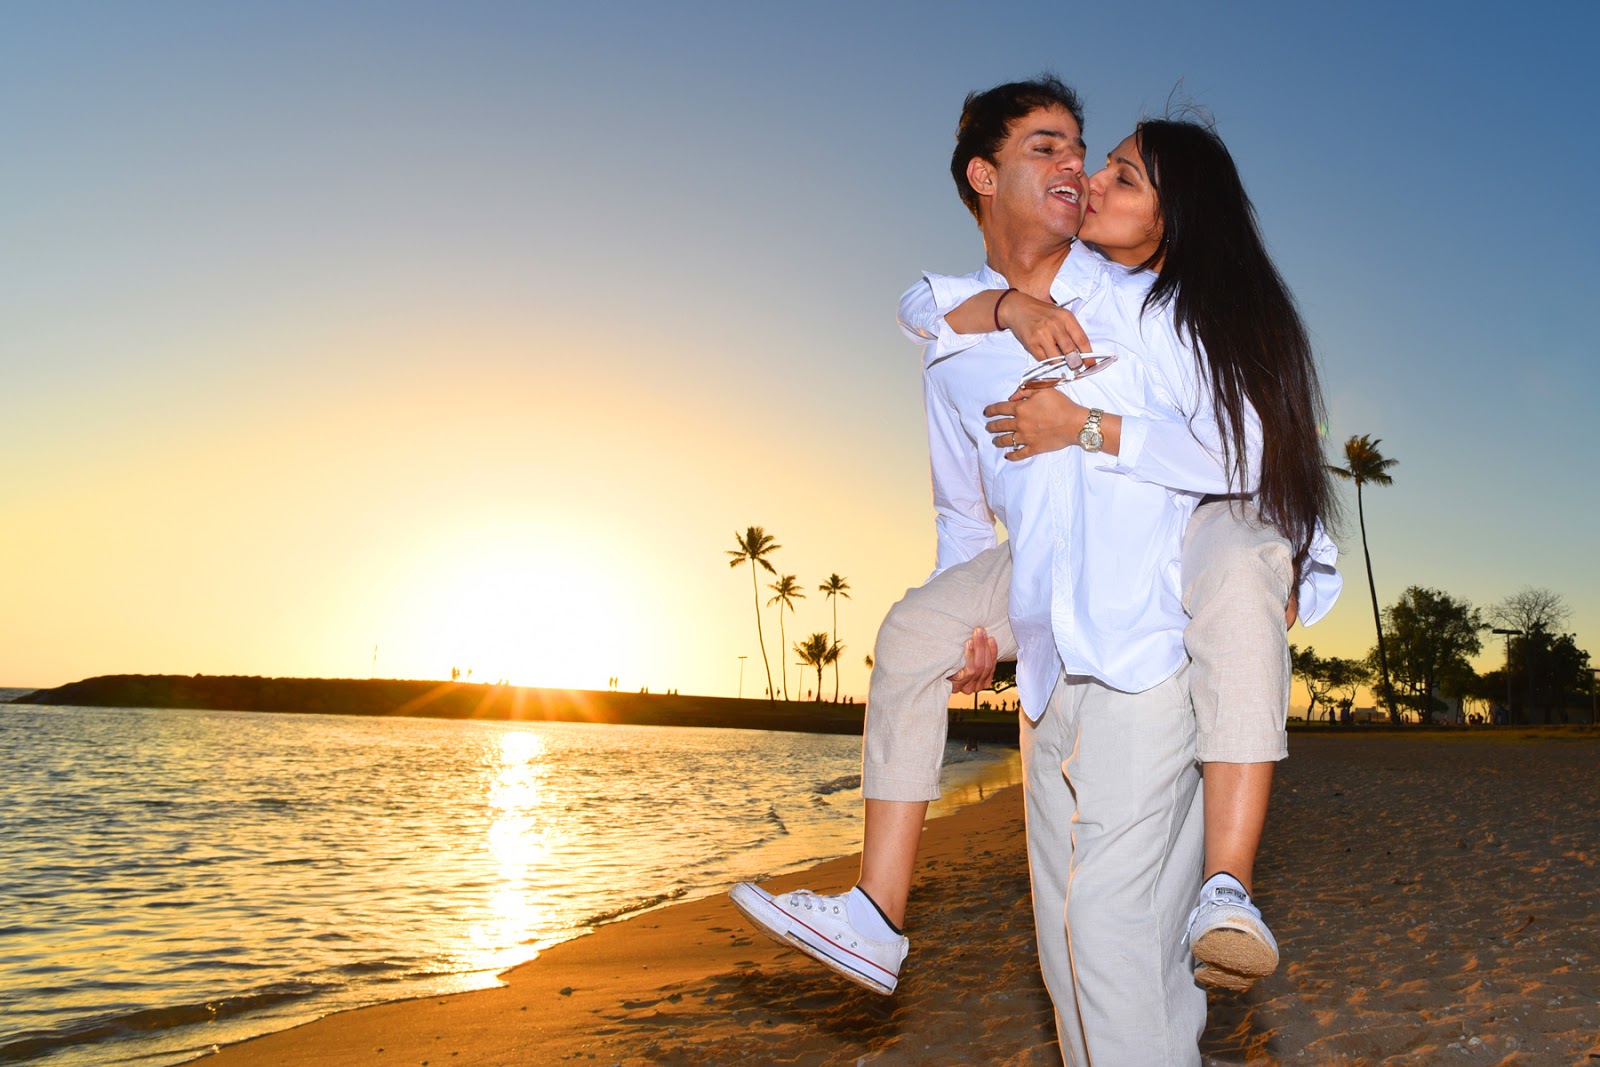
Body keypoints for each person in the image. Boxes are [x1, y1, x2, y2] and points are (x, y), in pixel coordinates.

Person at [731, 78, 1337, 1063]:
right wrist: (980, 633)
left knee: (1112, 947)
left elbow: (1245, 438)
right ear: (984, 175)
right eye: (1049, 148)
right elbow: (961, 509)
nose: (1078, 169)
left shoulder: (1134, 296)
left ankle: (1226, 884)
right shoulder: (954, 347)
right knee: (1071, 962)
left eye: (1087, 152)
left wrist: (1283, 558)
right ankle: (875, 912)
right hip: (1049, 667)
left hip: (1147, 651)